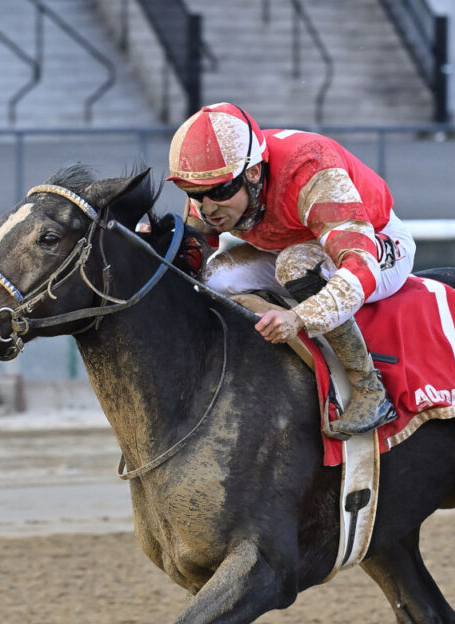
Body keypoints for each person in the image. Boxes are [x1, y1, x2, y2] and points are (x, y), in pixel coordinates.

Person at [165, 102, 416, 439]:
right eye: (195, 194)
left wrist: (298, 318)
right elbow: (193, 253)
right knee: (214, 279)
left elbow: (360, 268)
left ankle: (368, 388)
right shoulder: (214, 180)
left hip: (375, 247)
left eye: (221, 192)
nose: (208, 207)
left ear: (253, 173)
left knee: (294, 264)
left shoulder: (311, 168)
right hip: (293, 246)